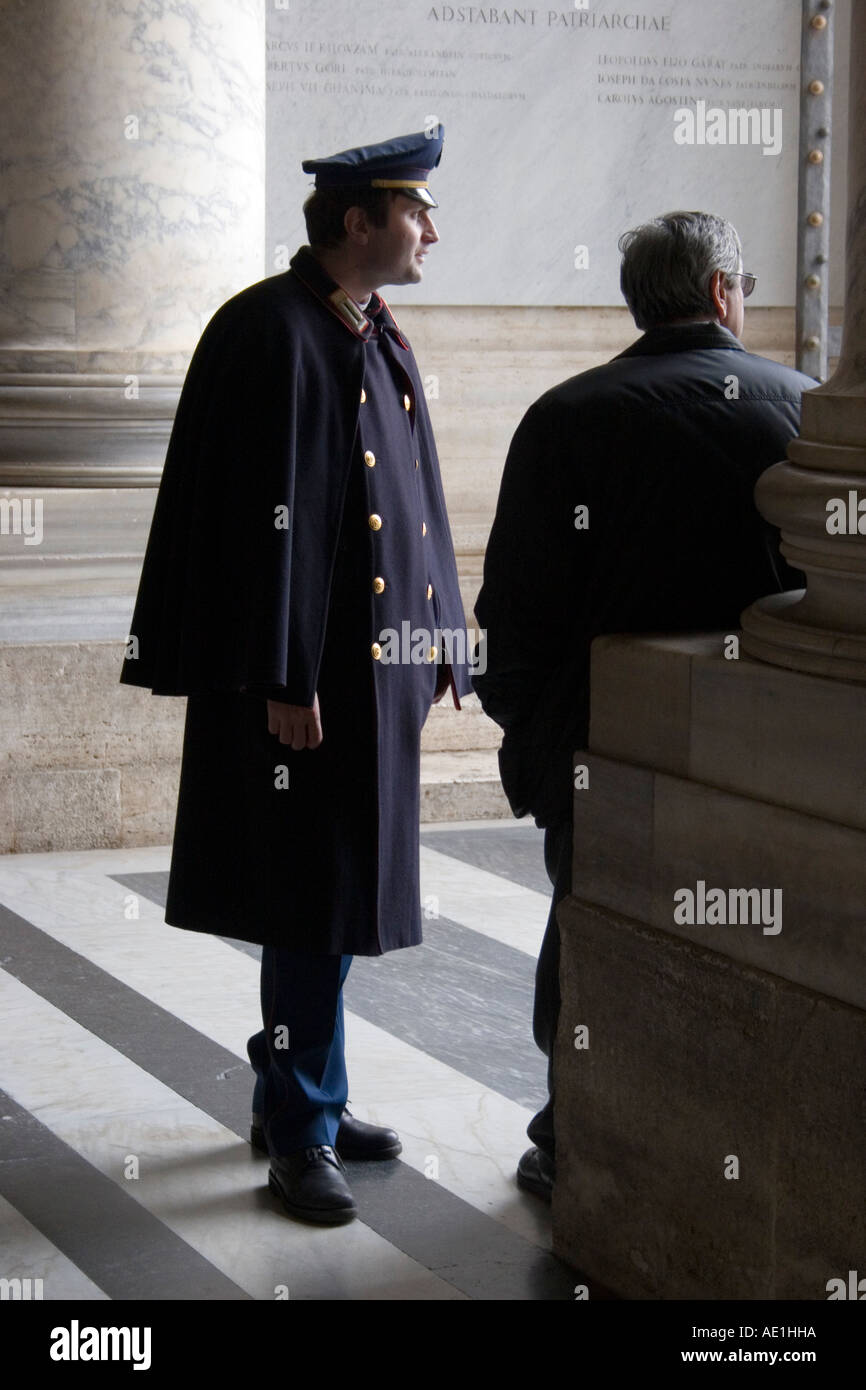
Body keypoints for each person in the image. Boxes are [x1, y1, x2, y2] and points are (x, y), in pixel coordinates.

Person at [121, 128, 470, 1225]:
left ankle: (301, 1086)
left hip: (373, 682)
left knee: (337, 894)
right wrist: (280, 672)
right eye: (414, 213)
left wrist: (443, 638)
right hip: (301, 691)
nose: (429, 230)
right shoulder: (265, 333)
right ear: (357, 222)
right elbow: (244, 531)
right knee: (308, 899)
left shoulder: (369, 327)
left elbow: (413, 497)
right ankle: (300, 1122)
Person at [472, 210, 815, 1203]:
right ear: (718, 291)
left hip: (602, 738)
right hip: (765, 744)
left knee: (588, 924)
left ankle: (571, 1123)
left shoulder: (567, 415)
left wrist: (536, 730)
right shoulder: (796, 405)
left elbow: (517, 607)